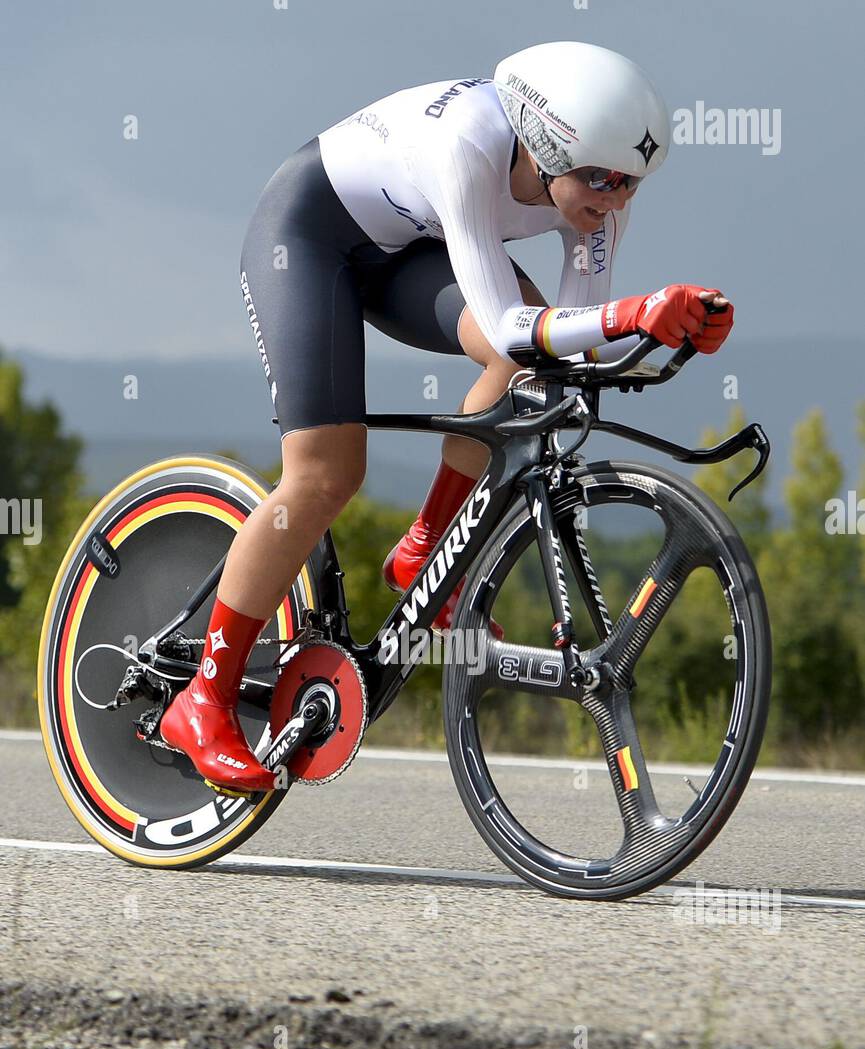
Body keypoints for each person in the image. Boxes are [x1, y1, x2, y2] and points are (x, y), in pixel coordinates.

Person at [161, 40, 733, 794]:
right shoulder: (467, 140)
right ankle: (202, 699)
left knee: (536, 364)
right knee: (327, 476)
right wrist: (632, 315)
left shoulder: (592, 203)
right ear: (544, 141)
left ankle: (428, 544)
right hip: (308, 237)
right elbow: (507, 323)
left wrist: (666, 331)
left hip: (408, 248)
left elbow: (573, 338)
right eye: (601, 177)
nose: (615, 197)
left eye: (630, 181)